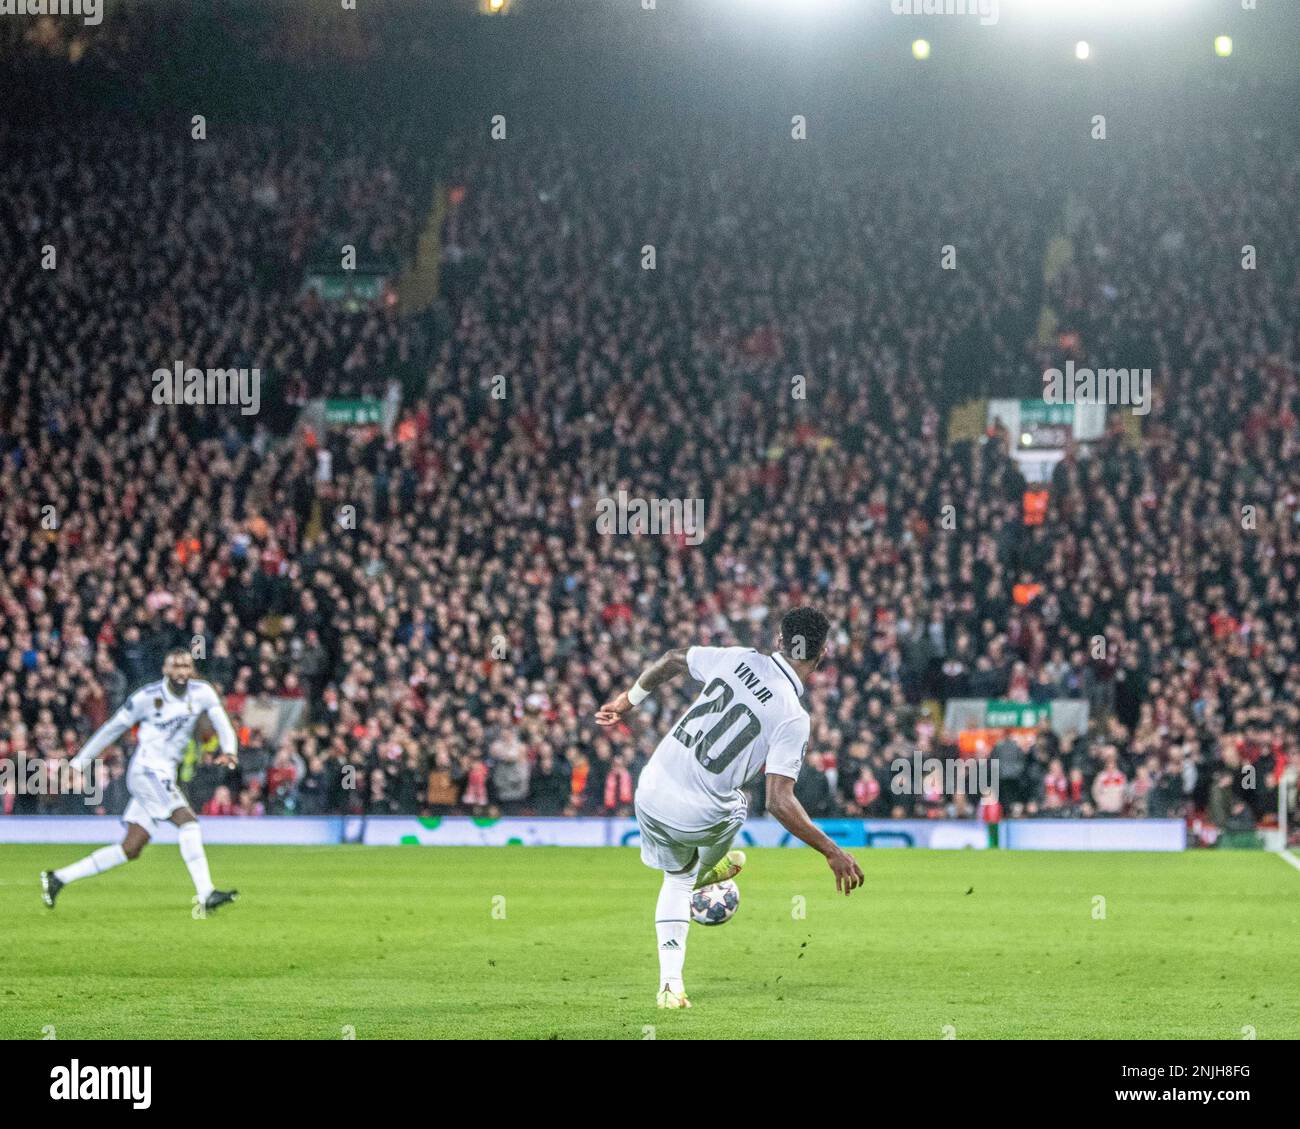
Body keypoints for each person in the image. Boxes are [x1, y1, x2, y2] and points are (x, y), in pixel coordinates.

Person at [596, 606, 864, 1010]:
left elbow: (671, 659)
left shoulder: (738, 658)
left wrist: (627, 702)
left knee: (676, 879)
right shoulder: (793, 715)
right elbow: (778, 801)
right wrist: (832, 851)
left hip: (649, 790)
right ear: (822, 653)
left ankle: (671, 984)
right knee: (738, 804)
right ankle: (710, 868)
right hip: (699, 816)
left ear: (778, 640)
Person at [41, 649, 240, 915]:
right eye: (176, 666)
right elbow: (111, 728)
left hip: (163, 775)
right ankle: (206, 893)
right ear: (165, 670)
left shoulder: (202, 692)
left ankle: (58, 878)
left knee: (131, 847)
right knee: (187, 820)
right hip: (146, 771)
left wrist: (229, 750)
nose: (181, 672)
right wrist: (78, 764)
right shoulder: (147, 698)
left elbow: (221, 721)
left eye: (186, 667)